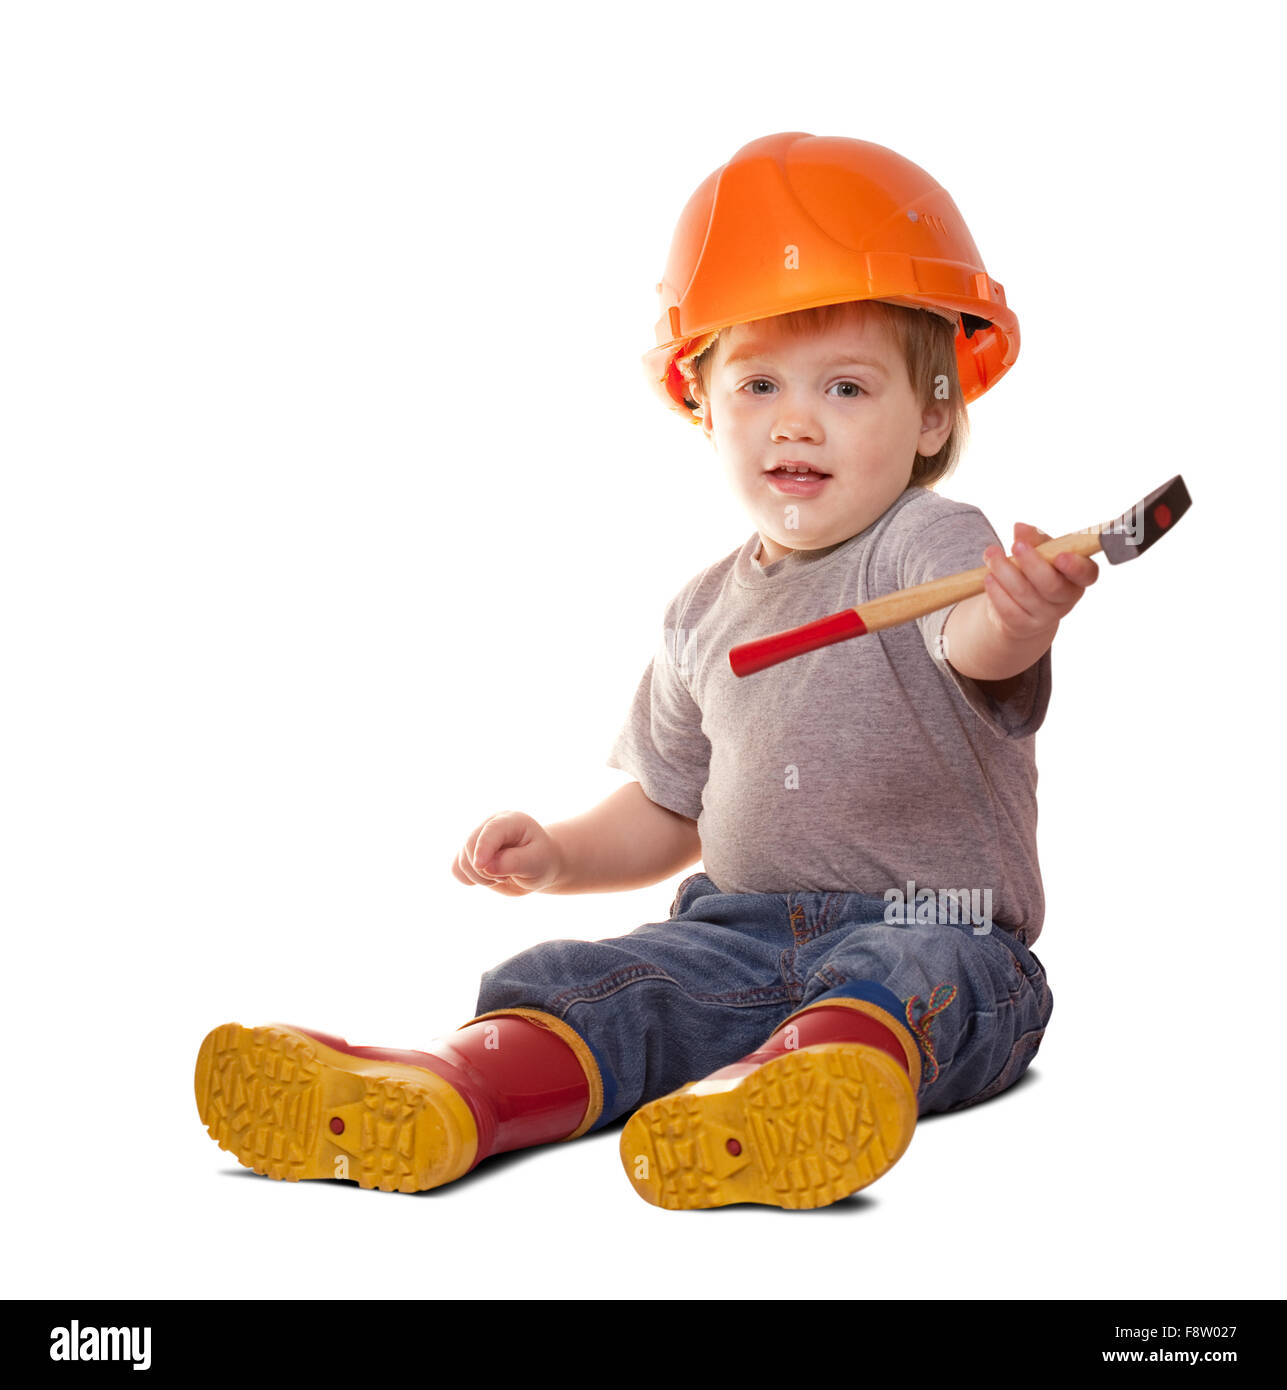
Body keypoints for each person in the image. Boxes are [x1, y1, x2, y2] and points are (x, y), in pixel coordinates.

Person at [194, 132, 1097, 1209]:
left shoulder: (929, 541)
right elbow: (672, 809)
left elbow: (973, 645)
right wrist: (561, 852)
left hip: (938, 923)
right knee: (597, 979)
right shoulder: (702, 613)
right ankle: (455, 1086)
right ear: (703, 403)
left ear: (935, 413)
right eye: (759, 382)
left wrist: (1018, 616)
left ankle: (801, 1088)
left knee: (913, 975)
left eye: (848, 387)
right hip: (737, 937)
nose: (797, 418)